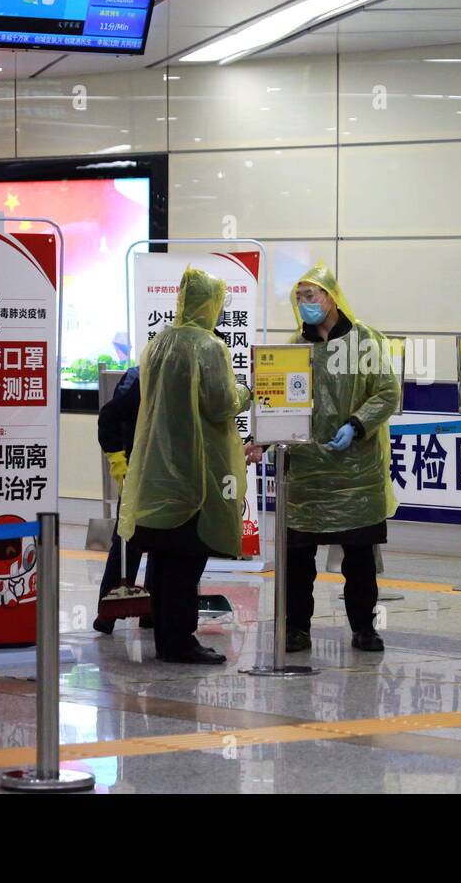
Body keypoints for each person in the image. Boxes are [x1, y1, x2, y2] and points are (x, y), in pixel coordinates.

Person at [259, 263, 400, 653]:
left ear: (332, 298)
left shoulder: (366, 341)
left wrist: (356, 424)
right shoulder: (292, 349)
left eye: (312, 295)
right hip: (305, 476)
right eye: (299, 297)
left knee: (359, 559)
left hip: (356, 475)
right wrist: (263, 440)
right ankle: (297, 628)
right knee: (298, 560)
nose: (305, 303)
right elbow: (276, 406)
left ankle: (364, 628)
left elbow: (388, 392)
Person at [118, 266, 252, 664]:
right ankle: (179, 641)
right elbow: (219, 403)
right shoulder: (208, 347)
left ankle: (166, 636)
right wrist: (246, 392)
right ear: (208, 304)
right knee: (186, 559)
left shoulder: (158, 343)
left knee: (163, 554)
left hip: (159, 468)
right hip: (194, 469)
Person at [93, 366, 154, 635]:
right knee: (128, 538)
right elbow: (108, 417)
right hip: (135, 471)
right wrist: (119, 464)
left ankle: (153, 611)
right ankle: (107, 612)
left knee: (164, 542)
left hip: (168, 473)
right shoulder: (143, 379)